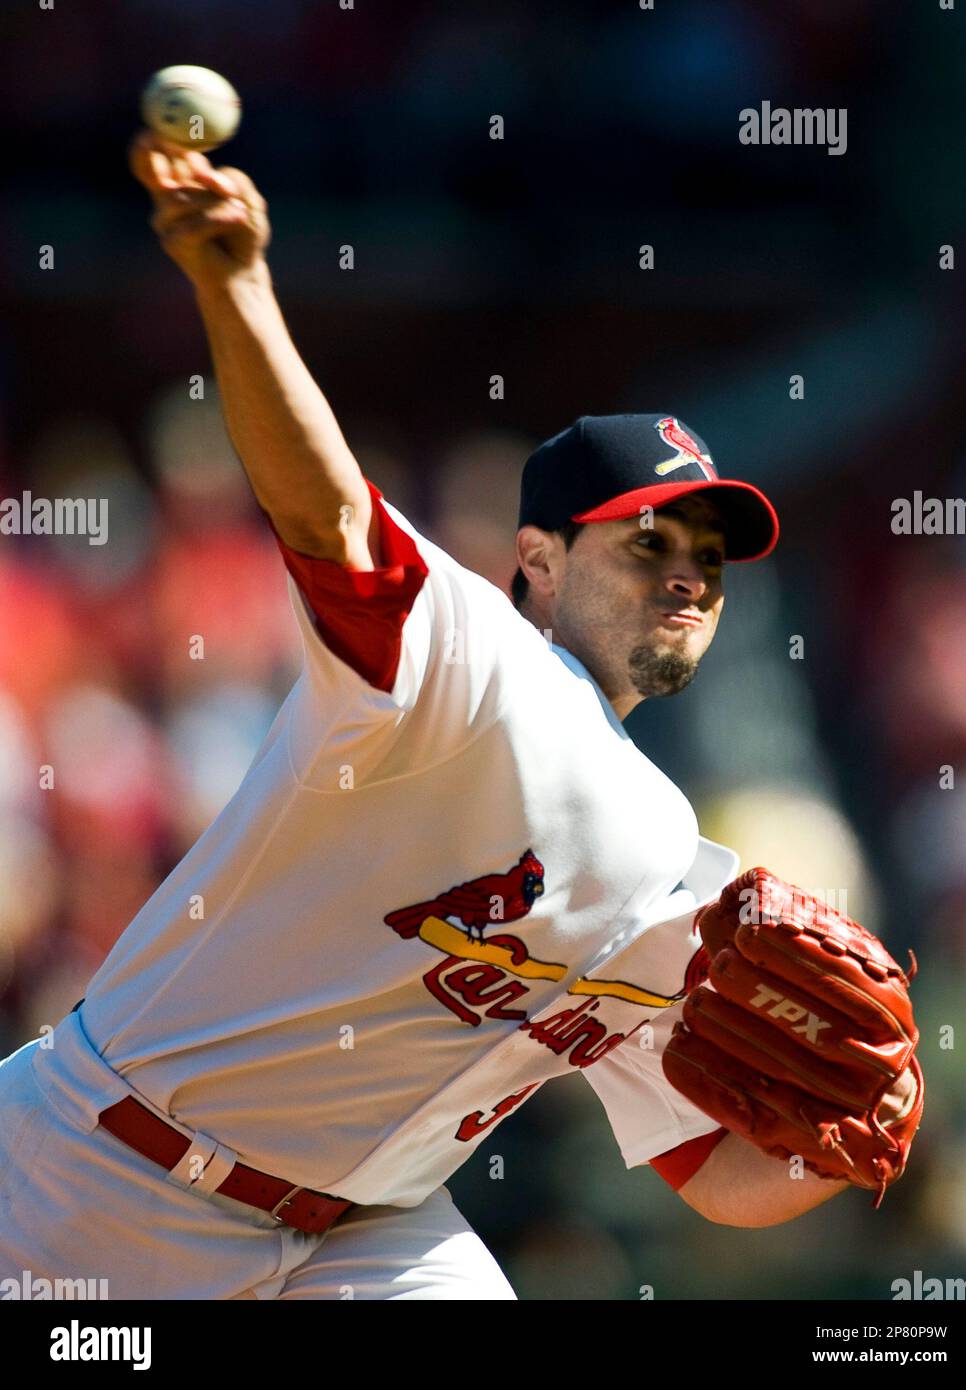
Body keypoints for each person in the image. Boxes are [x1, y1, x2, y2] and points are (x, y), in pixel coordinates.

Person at [0, 133, 910, 1301]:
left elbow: (711, 1174)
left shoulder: (677, 880)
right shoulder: (468, 665)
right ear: (535, 558)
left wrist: (845, 1140)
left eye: (711, 557)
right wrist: (238, 292)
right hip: (95, 1181)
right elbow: (325, 515)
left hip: (368, 1234)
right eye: (649, 541)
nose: (690, 574)